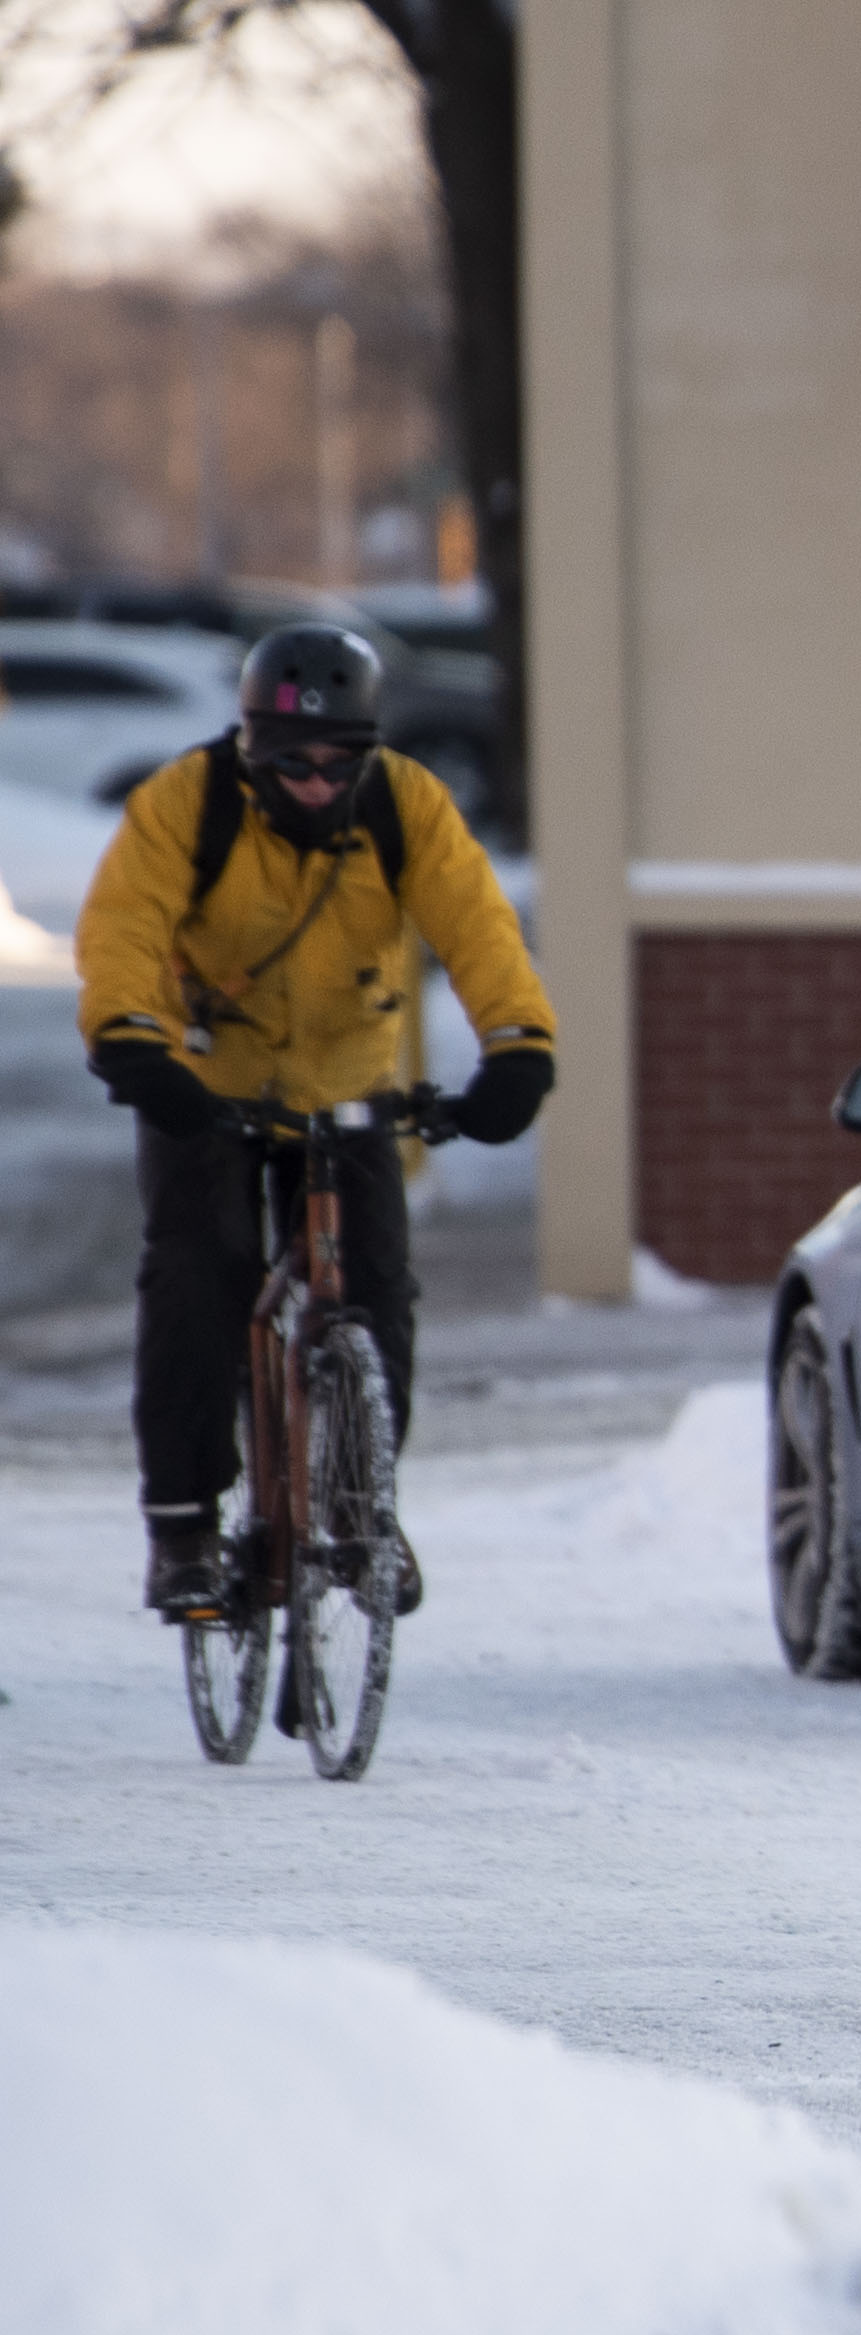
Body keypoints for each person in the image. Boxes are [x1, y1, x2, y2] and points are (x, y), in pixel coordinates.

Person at [74, 623, 558, 1620]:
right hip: (204, 1085)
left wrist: (516, 1045)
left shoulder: (405, 803)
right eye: (293, 761)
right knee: (199, 1274)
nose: (317, 780)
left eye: (341, 761)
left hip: (345, 1082)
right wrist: (131, 1041)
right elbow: (125, 926)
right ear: (251, 743)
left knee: (376, 1286)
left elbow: (477, 925)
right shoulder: (187, 802)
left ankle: (359, 1503)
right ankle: (184, 1525)